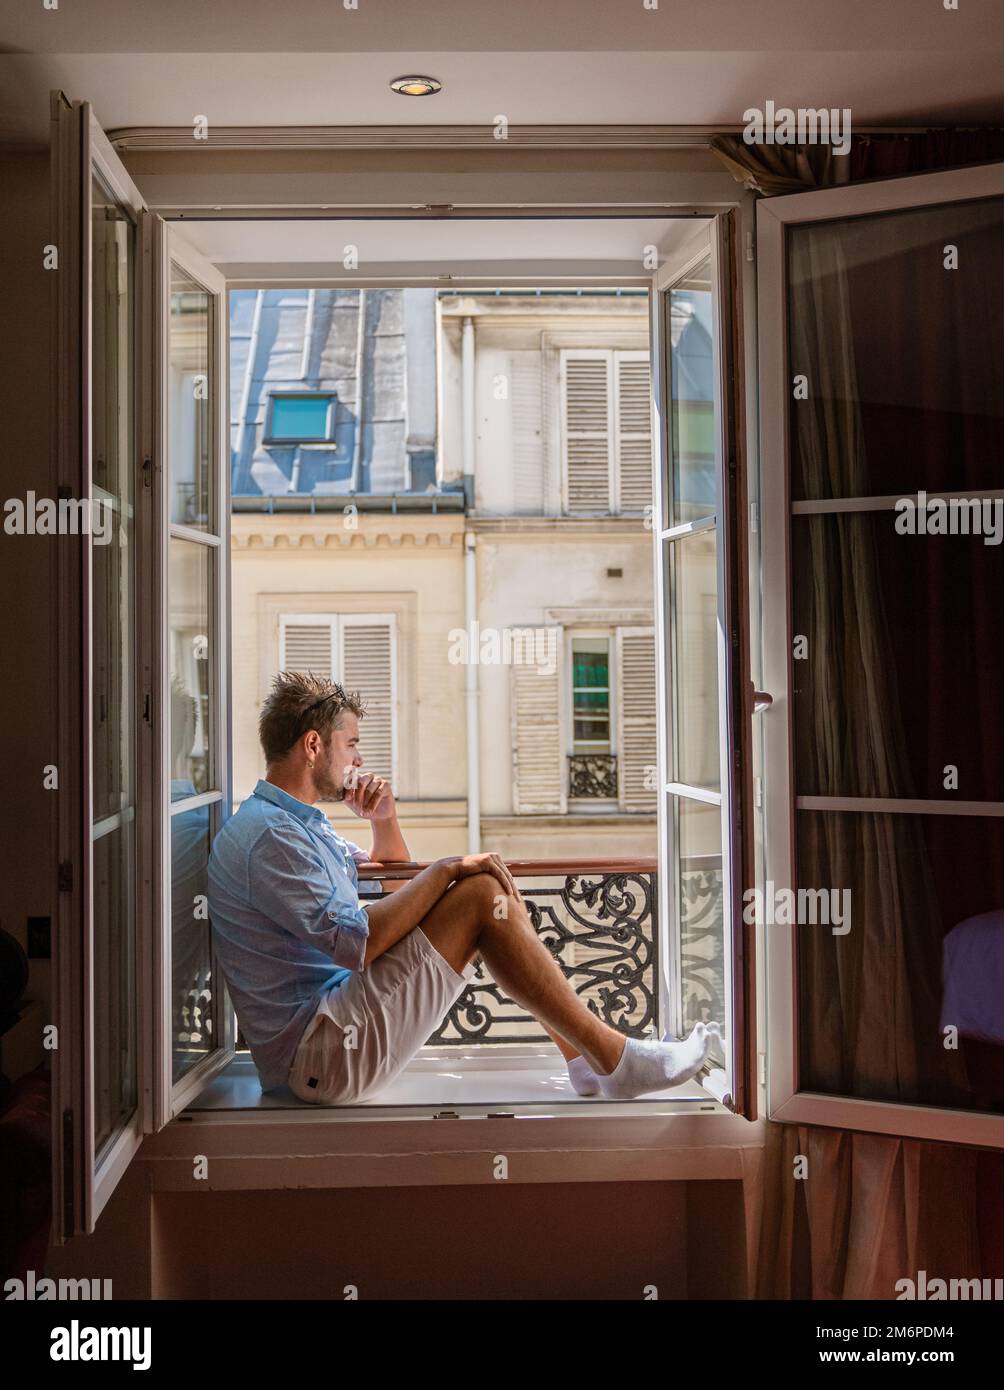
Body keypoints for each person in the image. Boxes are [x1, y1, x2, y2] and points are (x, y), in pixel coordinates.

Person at [208, 671, 715, 1105]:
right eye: (351, 744)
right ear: (314, 746)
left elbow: (391, 883)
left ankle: (587, 1059)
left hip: (332, 1028)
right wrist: (449, 868)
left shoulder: (293, 824)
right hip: (320, 1056)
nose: (357, 760)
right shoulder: (272, 836)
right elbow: (359, 943)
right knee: (477, 895)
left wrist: (384, 819)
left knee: (481, 893)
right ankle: (614, 1060)